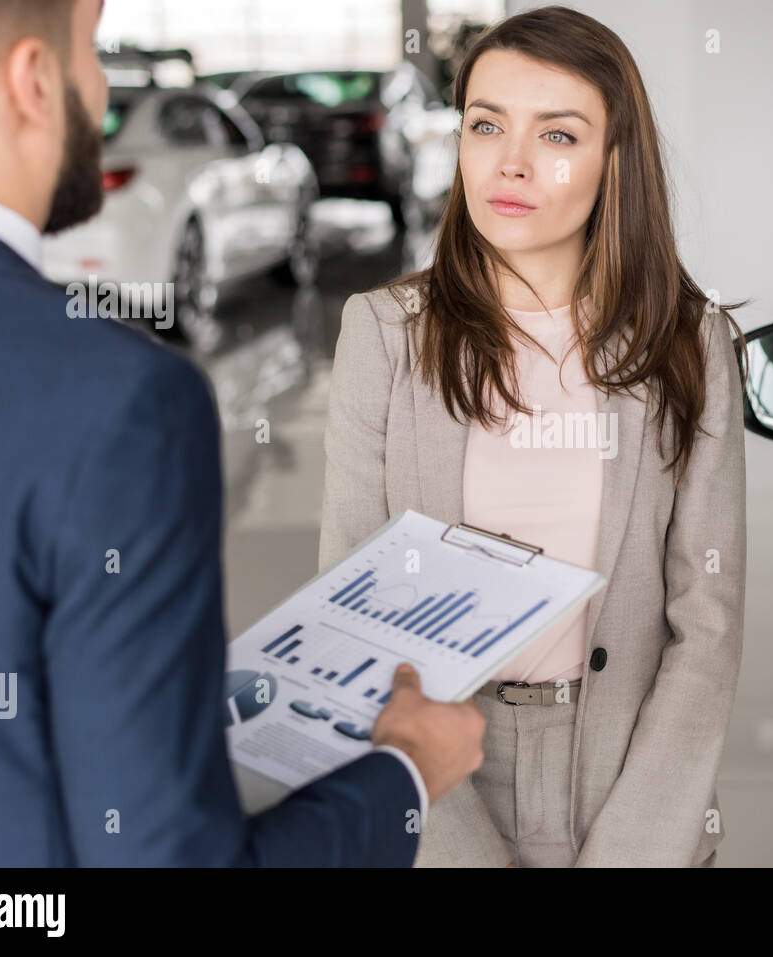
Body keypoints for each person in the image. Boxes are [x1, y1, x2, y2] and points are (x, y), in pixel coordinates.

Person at [0, 0, 485, 866]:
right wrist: (405, 771)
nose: (99, 87)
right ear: (32, 82)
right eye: (91, 53)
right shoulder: (117, 402)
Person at [319, 6, 749, 867]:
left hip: (627, 773)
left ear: (613, 164)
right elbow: (355, 626)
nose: (509, 163)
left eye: (557, 135)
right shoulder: (383, 334)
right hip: (439, 784)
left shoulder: (687, 342)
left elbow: (706, 624)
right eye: (486, 125)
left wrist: (634, 849)